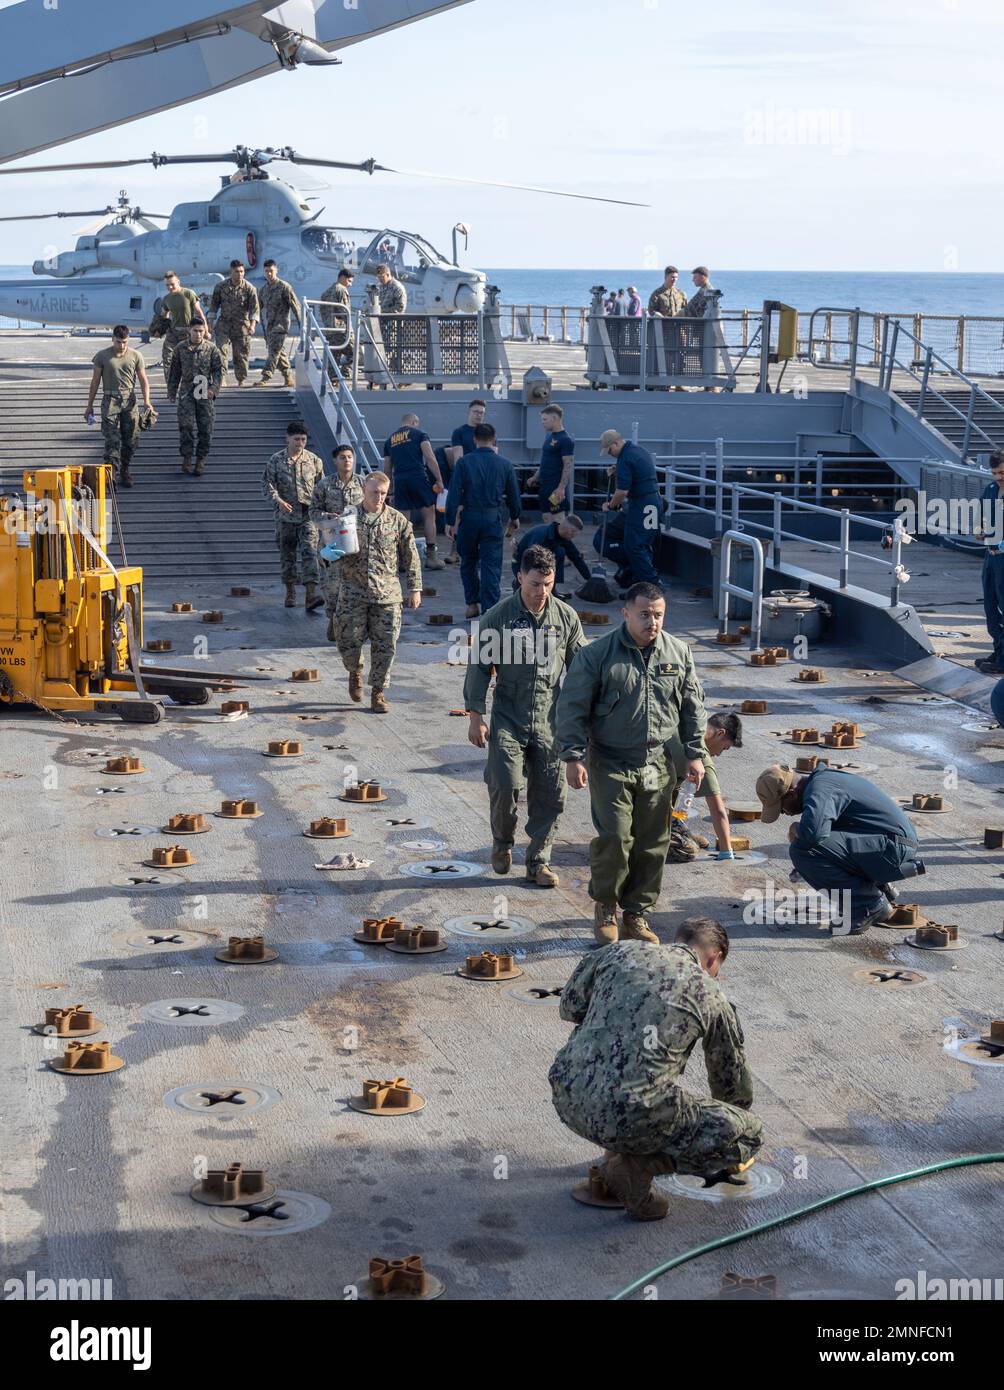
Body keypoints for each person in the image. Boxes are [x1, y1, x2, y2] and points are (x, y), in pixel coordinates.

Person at [549, 918, 762, 1221]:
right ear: (713, 958)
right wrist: (721, 1141)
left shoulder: (618, 952)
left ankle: (621, 1146)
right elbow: (733, 1091)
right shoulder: (710, 994)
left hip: (568, 1096)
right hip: (628, 1114)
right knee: (749, 1132)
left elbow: (569, 1007)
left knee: (637, 1086)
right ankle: (635, 1167)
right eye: (717, 969)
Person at [557, 582, 707, 945]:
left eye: (658, 615)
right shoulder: (597, 655)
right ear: (625, 614)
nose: (651, 622)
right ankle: (606, 906)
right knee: (614, 837)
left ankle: (636, 914)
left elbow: (692, 706)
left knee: (654, 842)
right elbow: (572, 707)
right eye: (644, 614)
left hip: (657, 760)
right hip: (610, 759)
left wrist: (695, 752)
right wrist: (573, 757)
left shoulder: (679, 652)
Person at [464, 543, 586, 887]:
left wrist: (587, 719)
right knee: (504, 783)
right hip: (509, 714)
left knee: (550, 793)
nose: (541, 592)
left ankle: (538, 862)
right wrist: (476, 715)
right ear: (519, 578)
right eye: (534, 584)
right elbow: (480, 668)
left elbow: (581, 672)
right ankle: (502, 843)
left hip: (551, 716)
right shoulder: (499, 617)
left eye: (548, 584)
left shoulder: (565, 618)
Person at [755, 762, 925, 936]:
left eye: (781, 809)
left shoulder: (820, 790)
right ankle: (878, 888)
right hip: (891, 843)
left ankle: (868, 905)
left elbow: (811, 836)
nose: (785, 813)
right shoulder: (824, 781)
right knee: (817, 837)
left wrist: (795, 830)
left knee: (802, 851)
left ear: (791, 794)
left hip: (893, 848)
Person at [334, 471, 422, 712]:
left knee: (386, 645)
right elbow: (333, 547)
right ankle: (355, 671)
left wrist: (415, 588)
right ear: (364, 490)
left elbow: (411, 554)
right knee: (348, 641)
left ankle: (378, 692)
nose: (379, 497)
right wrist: (329, 552)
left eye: (384, 493)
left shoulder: (397, 520)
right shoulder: (348, 516)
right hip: (353, 592)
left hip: (387, 594)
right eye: (375, 492)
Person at [445, 422, 521, 619]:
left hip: (469, 518)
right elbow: (513, 495)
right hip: (492, 518)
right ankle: (490, 611)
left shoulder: (464, 463)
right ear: (494, 439)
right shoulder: (505, 464)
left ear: (474, 440)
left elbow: (453, 493)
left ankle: (471, 604)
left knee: (468, 562)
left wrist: (449, 520)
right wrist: (515, 516)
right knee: (491, 564)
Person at [262, 421, 325, 612]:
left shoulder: (314, 460)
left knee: (310, 553)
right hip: (285, 517)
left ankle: (311, 594)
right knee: (287, 555)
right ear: (287, 438)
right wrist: (278, 501)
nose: (300, 443)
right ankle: (290, 592)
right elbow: (267, 485)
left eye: (303, 439)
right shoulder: (276, 460)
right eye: (296, 439)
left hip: (308, 516)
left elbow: (322, 487)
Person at [667, 712, 743, 862]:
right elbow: (718, 809)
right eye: (724, 748)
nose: (719, 754)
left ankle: (668, 829)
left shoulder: (684, 722)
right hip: (644, 802)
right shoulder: (700, 756)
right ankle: (646, 839)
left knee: (699, 841)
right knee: (688, 850)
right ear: (720, 733)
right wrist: (726, 850)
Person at [85, 325, 151, 489]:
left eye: (125, 342)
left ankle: (125, 470)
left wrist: (147, 401)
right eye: (119, 341)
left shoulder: (136, 355)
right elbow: (95, 382)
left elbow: (143, 380)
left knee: (131, 440)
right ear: (113, 339)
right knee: (112, 439)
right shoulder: (102, 356)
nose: (122, 345)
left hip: (129, 401)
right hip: (110, 400)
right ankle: (111, 474)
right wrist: (89, 405)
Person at [310, 443, 365, 641]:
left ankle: (353, 625)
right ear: (335, 460)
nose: (347, 460)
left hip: (355, 543)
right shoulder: (324, 485)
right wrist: (328, 516)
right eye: (343, 457)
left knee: (357, 585)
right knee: (332, 587)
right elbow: (313, 512)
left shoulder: (363, 483)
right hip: (331, 543)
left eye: (350, 457)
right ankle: (333, 621)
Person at [599, 428, 663, 588]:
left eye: (610, 450)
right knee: (646, 543)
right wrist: (618, 468)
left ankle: (651, 586)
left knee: (633, 546)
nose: (610, 454)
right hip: (654, 502)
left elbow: (622, 492)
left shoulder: (624, 459)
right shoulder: (638, 450)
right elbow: (636, 468)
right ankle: (646, 581)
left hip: (640, 505)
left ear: (616, 443)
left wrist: (610, 505)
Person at [382, 412, 446, 570]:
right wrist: (439, 479)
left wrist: (389, 492)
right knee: (429, 515)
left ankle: (403, 560)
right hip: (418, 477)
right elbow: (430, 457)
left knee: (404, 520)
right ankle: (431, 557)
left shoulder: (390, 440)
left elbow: (387, 469)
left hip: (400, 480)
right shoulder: (420, 434)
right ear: (413, 422)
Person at [166, 321, 223, 477]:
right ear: (189, 330)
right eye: (195, 331)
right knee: (186, 426)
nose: (198, 334)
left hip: (204, 392)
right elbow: (175, 371)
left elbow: (218, 371)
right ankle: (187, 458)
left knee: (206, 428)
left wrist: (214, 389)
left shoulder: (211, 349)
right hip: (187, 393)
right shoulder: (180, 348)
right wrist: (171, 390)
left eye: (201, 331)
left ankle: (200, 459)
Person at [208, 260, 260, 385]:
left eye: (242, 271)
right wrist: (210, 324)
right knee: (220, 351)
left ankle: (241, 380)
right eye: (237, 271)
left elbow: (255, 309)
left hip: (242, 326)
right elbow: (214, 306)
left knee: (241, 356)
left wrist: (252, 326)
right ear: (231, 272)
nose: (240, 274)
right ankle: (221, 379)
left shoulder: (249, 288)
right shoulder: (221, 287)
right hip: (224, 324)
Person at [976, 450, 1004, 674]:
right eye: (995, 473)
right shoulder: (991, 489)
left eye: (1002, 472)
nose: (998, 477)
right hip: (991, 555)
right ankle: (999, 649)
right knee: (991, 606)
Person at [511, 516, 591, 590]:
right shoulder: (542, 535)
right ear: (570, 531)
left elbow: (576, 558)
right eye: (575, 533)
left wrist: (589, 579)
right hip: (521, 564)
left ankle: (551, 587)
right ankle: (520, 583)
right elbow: (530, 558)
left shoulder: (562, 537)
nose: (575, 536)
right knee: (556, 553)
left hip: (537, 562)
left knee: (559, 552)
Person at [152, 271, 207, 380]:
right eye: (167, 285)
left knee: (189, 361)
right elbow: (164, 315)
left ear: (178, 281)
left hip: (188, 333)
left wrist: (205, 330)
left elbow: (199, 313)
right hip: (173, 332)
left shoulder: (188, 294)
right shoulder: (167, 299)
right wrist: (158, 329)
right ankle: (171, 385)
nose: (170, 287)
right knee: (167, 358)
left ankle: (190, 385)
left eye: (172, 284)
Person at [257, 259, 302, 388]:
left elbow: (296, 306)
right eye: (266, 271)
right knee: (279, 352)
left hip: (281, 326)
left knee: (273, 352)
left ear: (276, 270)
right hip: (270, 326)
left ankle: (265, 377)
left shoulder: (284, 287)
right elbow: (257, 307)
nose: (269, 274)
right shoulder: (264, 290)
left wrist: (302, 326)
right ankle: (288, 377)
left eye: (271, 271)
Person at [527, 404, 575, 522]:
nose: (542, 422)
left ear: (554, 418)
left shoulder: (565, 440)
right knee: (547, 518)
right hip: (545, 486)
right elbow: (545, 461)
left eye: (545, 419)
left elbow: (568, 466)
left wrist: (561, 488)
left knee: (558, 520)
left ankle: (560, 541)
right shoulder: (550, 436)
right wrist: (535, 477)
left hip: (555, 488)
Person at [319, 267, 355, 373]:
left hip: (329, 330)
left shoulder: (326, 292)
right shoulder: (341, 289)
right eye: (349, 281)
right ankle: (345, 372)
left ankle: (333, 379)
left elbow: (322, 312)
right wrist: (350, 330)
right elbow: (345, 311)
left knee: (333, 358)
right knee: (355, 353)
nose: (350, 284)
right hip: (341, 330)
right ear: (343, 277)